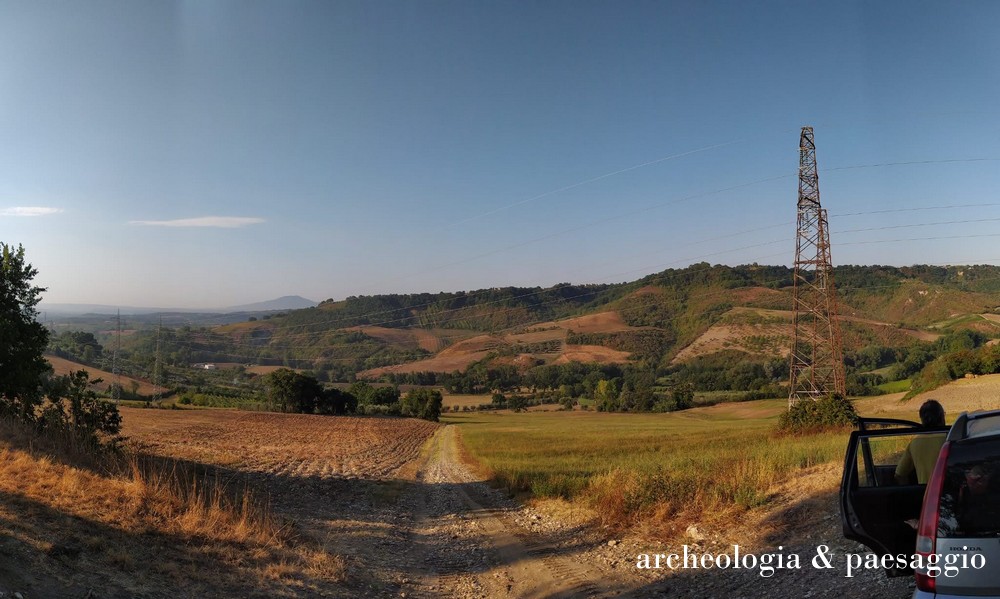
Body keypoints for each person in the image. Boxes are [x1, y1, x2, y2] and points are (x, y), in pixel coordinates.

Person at [895, 399, 947, 485]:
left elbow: (899, 475)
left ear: (922, 420)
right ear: (941, 417)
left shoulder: (914, 442)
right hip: (948, 493)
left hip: (926, 495)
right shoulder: (949, 439)